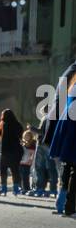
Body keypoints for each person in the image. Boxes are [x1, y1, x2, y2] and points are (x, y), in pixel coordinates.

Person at [43, 59, 76, 217]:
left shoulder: (69, 73)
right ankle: (68, 205)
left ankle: (62, 204)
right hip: (70, 124)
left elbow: (59, 101)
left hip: (63, 125)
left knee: (66, 167)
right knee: (70, 168)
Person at [0, 107, 24, 196]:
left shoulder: (2, 124)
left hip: (5, 150)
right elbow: (21, 136)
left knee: (3, 170)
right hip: (16, 150)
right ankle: (16, 189)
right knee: (15, 170)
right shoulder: (18, 124)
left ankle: (3, 188)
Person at [19, 128, 36, 195]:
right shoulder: (22, 143)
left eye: (28, 136)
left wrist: (31, 161)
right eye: (25, 136)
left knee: (25, 176)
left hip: (28, 163)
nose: (26, 137)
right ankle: (21, 188)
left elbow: (33, 153)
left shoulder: (32, 144)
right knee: (20, 175)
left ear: (31, 136)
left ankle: (26, 188)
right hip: (21, 162)